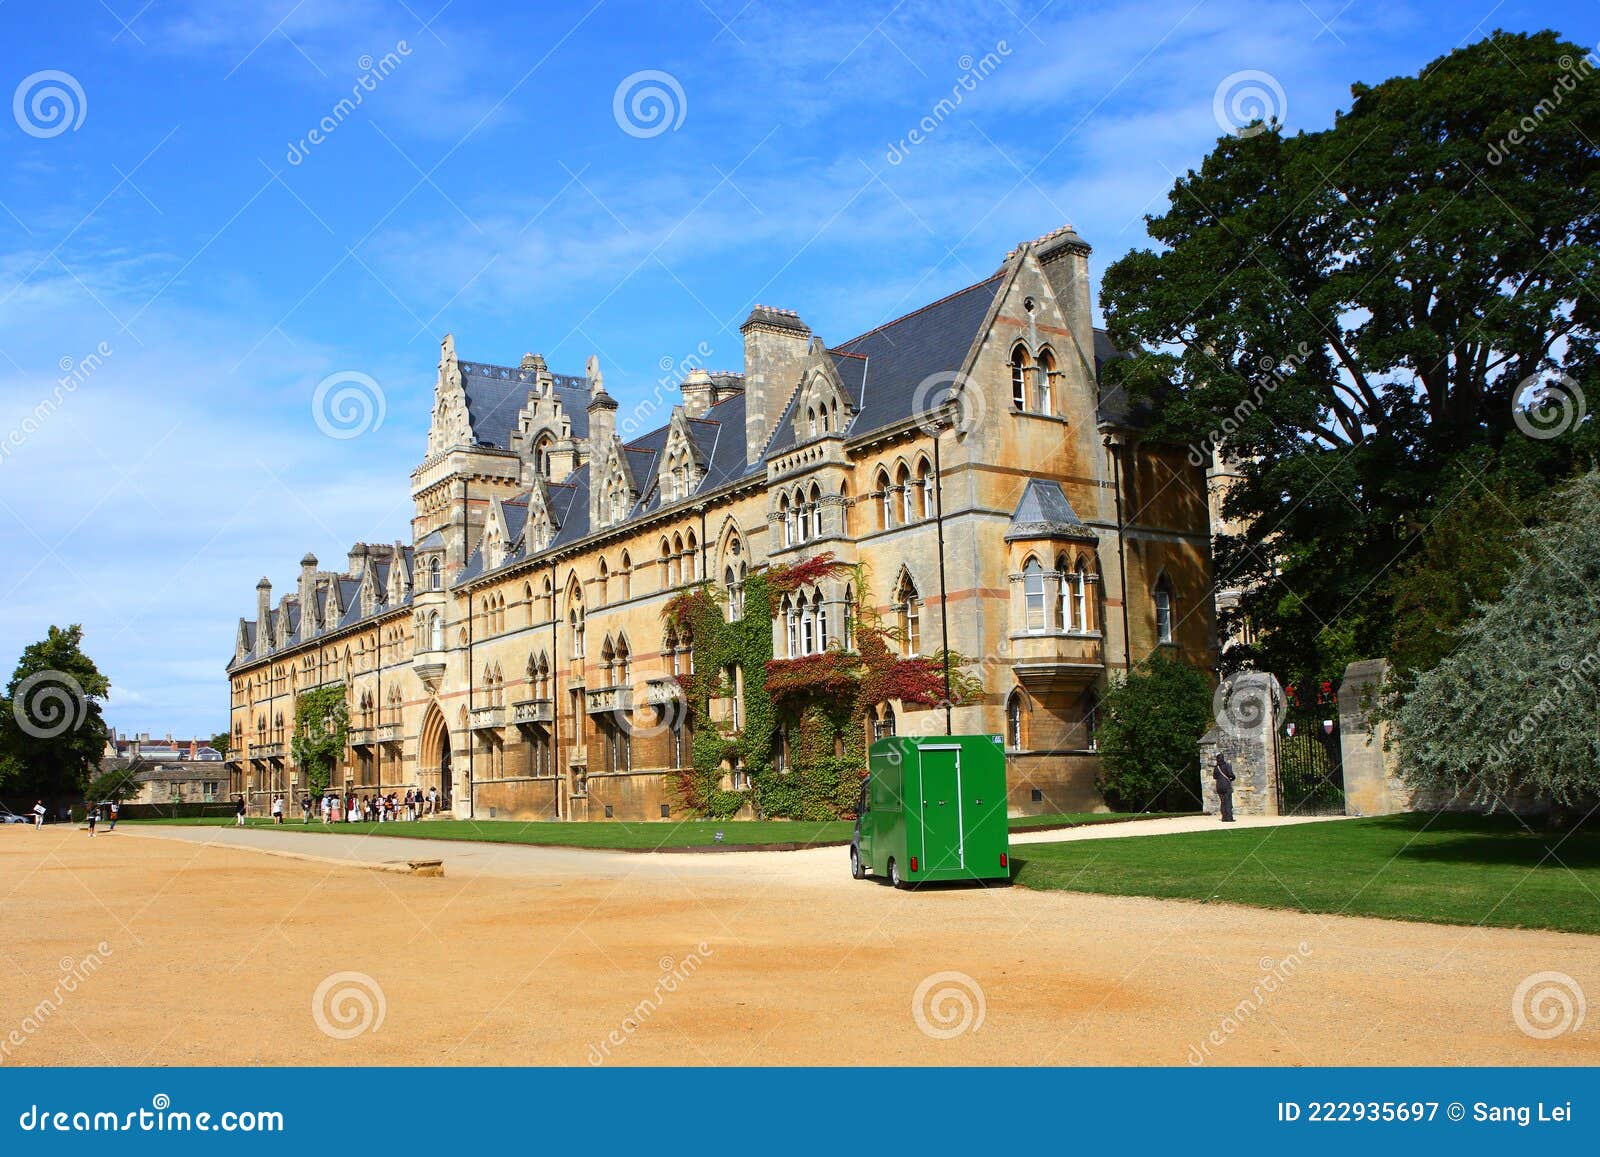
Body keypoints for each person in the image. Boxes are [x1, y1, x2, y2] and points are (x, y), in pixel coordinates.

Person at [1213, 751, 1236, 823]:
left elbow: (1214, 776)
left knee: (1223, 802)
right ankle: (1229, 817)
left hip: (1219, 786)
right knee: (1228, 801)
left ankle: (1224, 817)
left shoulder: (1216, 768)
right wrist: (1233, 778)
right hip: (1226, 785)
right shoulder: (1227, 765)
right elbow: (1230, 774)